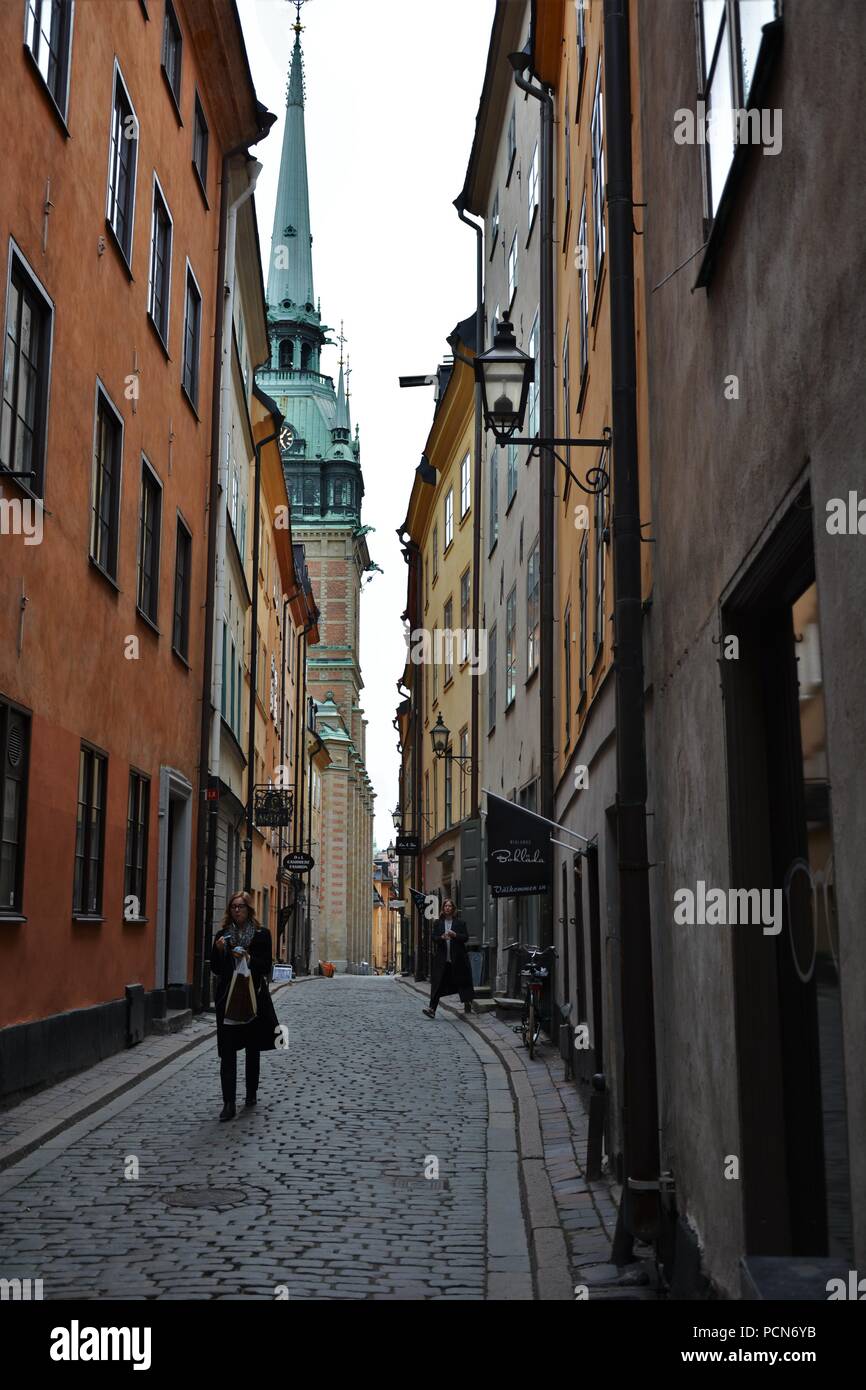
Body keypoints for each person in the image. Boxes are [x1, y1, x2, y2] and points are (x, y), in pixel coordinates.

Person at [210, 891, 279, 1121]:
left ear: (249, 910)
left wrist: (249, 959)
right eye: (233, 907)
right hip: (228, 1000)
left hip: (253, 999)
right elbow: (217, 970)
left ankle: (251, 1093)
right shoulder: (223, 936)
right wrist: (219, 951)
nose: (237, 910)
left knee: (252, 1048)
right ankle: (228, 1103)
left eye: (241, 906)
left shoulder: (261, 935)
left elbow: (265, 966)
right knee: (227, 1051)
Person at [423, 899, 475, 1019]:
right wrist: (441, 937)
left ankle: (467, 1005)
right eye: (445, 906)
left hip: (458, 959)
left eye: (450, 906)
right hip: (442, 960)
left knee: (463, 982)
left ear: (453, 908)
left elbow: (465, 938)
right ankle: (432, 1009)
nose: (447, 908)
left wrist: (455, 935)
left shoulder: (460, 923)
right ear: (443, 908)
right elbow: (434, 938)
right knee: (438, 984)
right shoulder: (438, 923)